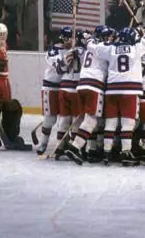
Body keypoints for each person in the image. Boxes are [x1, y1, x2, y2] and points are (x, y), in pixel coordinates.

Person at [92, 12, 145, 166]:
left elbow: (96, 47)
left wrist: (90, 38)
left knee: (110, 123)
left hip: (112, 90)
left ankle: (106, 153)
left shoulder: (110, 49)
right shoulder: (137, 48)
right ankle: (125, 152)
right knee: (127, 124)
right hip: (130, 90)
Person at [66, 25, 114, 164]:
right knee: (91, 120)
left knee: (85, 119)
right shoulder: (105, 48)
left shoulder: (90, 47)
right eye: (108, 36)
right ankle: (75, 147)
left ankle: (86, 149)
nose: (110, 38)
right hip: (95, 86)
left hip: (81, 85)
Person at [36, 27, 73, 155]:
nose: (71, 40)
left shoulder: (71, 50)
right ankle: (43, 144)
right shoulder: (53, 51)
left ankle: (61, 145)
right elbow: (59, 69)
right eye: (69, 37)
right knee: (50, 119)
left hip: (64, 88)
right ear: (63, 37)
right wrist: (68, 58)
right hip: (51, 87)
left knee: (65, 119)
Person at [55, 29, 86, 159]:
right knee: (76, 120)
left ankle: (59, 147)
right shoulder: (86, 52)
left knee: (64, 118)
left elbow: (59, 69)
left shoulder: (69, 52)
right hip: (76, 89)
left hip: (64, 88)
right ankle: (74, 147)